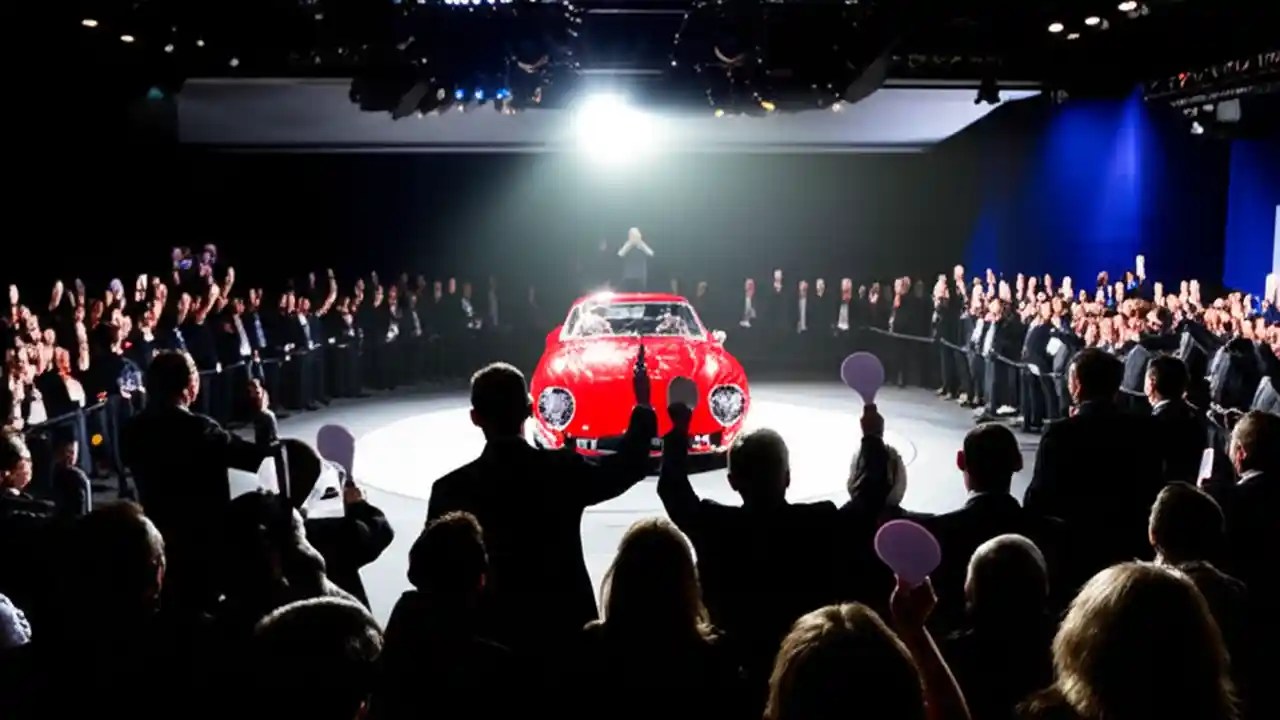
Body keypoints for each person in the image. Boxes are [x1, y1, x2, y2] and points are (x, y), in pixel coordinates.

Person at [426, 361, 656, 662]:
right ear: (530, 410)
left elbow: (430, 573)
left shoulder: (450, 490)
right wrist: (642, 405)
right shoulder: (560, 470)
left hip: (488, 639)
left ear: (475, 417)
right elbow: (628, 466)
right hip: (564, 633)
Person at [121, 350, 273, 616]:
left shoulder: (132, 429)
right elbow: (259, 460)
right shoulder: (200, 429)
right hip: (205, 542)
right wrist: (263, 416)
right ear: (190, 384)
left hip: (160, 538)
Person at [617, 227, 654, 292]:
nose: (633, 236)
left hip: (640, 276)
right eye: (631, 235)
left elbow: (651, 254)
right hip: (628, 276)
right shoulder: (626, 245)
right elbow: (620, 255)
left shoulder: (643, 245)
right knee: (628, 294)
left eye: (635, 234)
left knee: (640, 294)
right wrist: (629, 244)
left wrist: (641, 244)